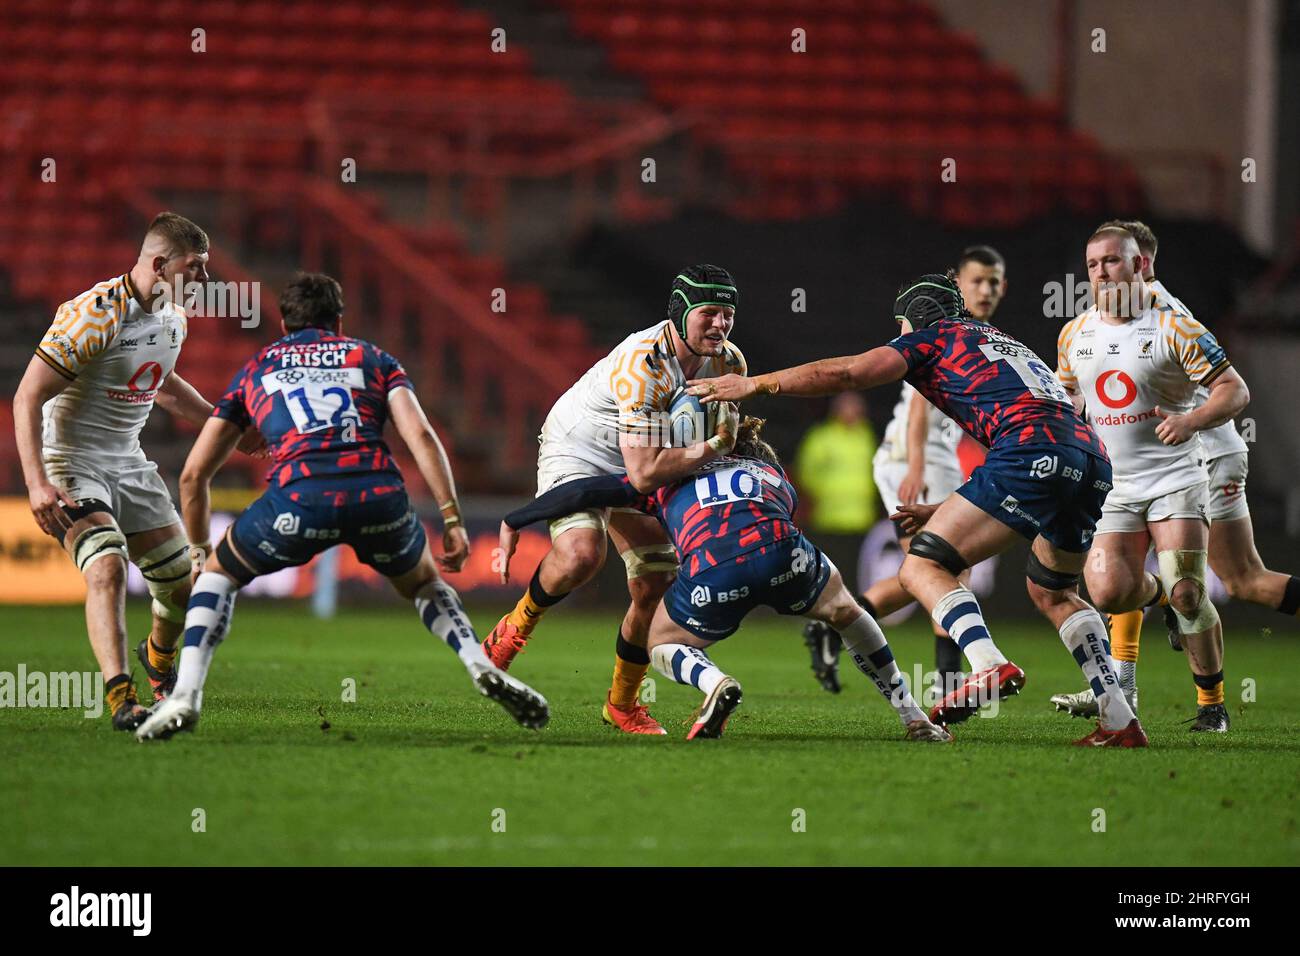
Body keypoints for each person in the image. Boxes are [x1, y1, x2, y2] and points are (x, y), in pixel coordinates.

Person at [691, 271, 1149, 746]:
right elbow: (1038, 417)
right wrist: (947, 506)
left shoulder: (932, 338)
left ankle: (989, 663)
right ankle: (1120, 721)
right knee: (1055, 592)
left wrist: (758, 384)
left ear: (915, 318)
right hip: (1091, 459)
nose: (900, 335)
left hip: (1030, 451)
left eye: (901, 325)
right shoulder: (1005, 342)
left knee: (920, 567)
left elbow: (849, 372)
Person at [136, 273, 548, 740]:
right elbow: (421, 437)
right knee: (424, 586)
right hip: (377, 497)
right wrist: (451, 518)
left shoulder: (259, 368)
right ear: (338, 319)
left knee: (217, 576)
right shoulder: (372, 358)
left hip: (300, 498)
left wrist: (196, 551)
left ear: (285, 322)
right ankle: (478, 664)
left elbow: (193, 475)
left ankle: (186, 695)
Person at [496, 417, 951, 742]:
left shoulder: (660, 478)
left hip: (715, 570)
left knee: (657, 643)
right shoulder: (773, 473)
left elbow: (582, 491)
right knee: (848, 612)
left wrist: (519, 518)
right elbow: (777, 510)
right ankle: (913, 717)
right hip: (782, 553)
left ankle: (714, 683)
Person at [11, 212, 264, 731]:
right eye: (195, 268)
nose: (204, 279)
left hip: (130, 464)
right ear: (159, 263)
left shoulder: (173, 317)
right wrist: (36, 482)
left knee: (180, 588)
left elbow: (165, 387)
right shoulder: (94, 315)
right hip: (72, 462)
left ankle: (158, 661)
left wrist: (229, 427)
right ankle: (121, 697)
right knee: (106, 566)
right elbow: (27, 395)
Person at [479, 265, 746, 735]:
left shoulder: (729, 364)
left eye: (727, 314)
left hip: (647, 454)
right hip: (581, 450)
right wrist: (714, 448)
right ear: (681, 312)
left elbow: (696, 445)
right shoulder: (644, 364)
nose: (720, 325)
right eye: (709, 313)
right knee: (583, 555)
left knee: (656, 586)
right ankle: (517, 624)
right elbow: (648, 473)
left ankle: (622, 706)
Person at [1050, 222, 1260, 732]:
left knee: (1190, 589)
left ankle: (1212, 705)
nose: (1102, 272)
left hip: (1176, 478)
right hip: (1114, 486)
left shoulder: (1175, 328)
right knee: (1107, 592)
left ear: (1139, 264)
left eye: (1113, 261)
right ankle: (1159, 595)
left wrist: (1190, 420)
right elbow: (1068, 399)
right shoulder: (1074, 334)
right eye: (1094, 264)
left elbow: (1235, 391)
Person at [803, 246, 1008, 694]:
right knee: (946, 566)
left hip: (929, 457)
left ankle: (835, 623)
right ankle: (948, 678)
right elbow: (919, 404)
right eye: (977, 281)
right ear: (958, 284)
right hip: (916, 457)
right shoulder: (946, 330)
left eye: (994, 282)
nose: (986, 290)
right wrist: (916, 466)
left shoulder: (975, 332)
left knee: (926, 571)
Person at [792, 391, 878, 690]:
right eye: (849, 407)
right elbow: (806, 471)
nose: (854, 413)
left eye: (858, 407)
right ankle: (824, 625)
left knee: (855, 585)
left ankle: (840, 634)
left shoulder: (866, 436)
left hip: (860, 520)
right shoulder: (821, 436)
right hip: (828, 519)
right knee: (828, 581)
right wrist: (827, 493)